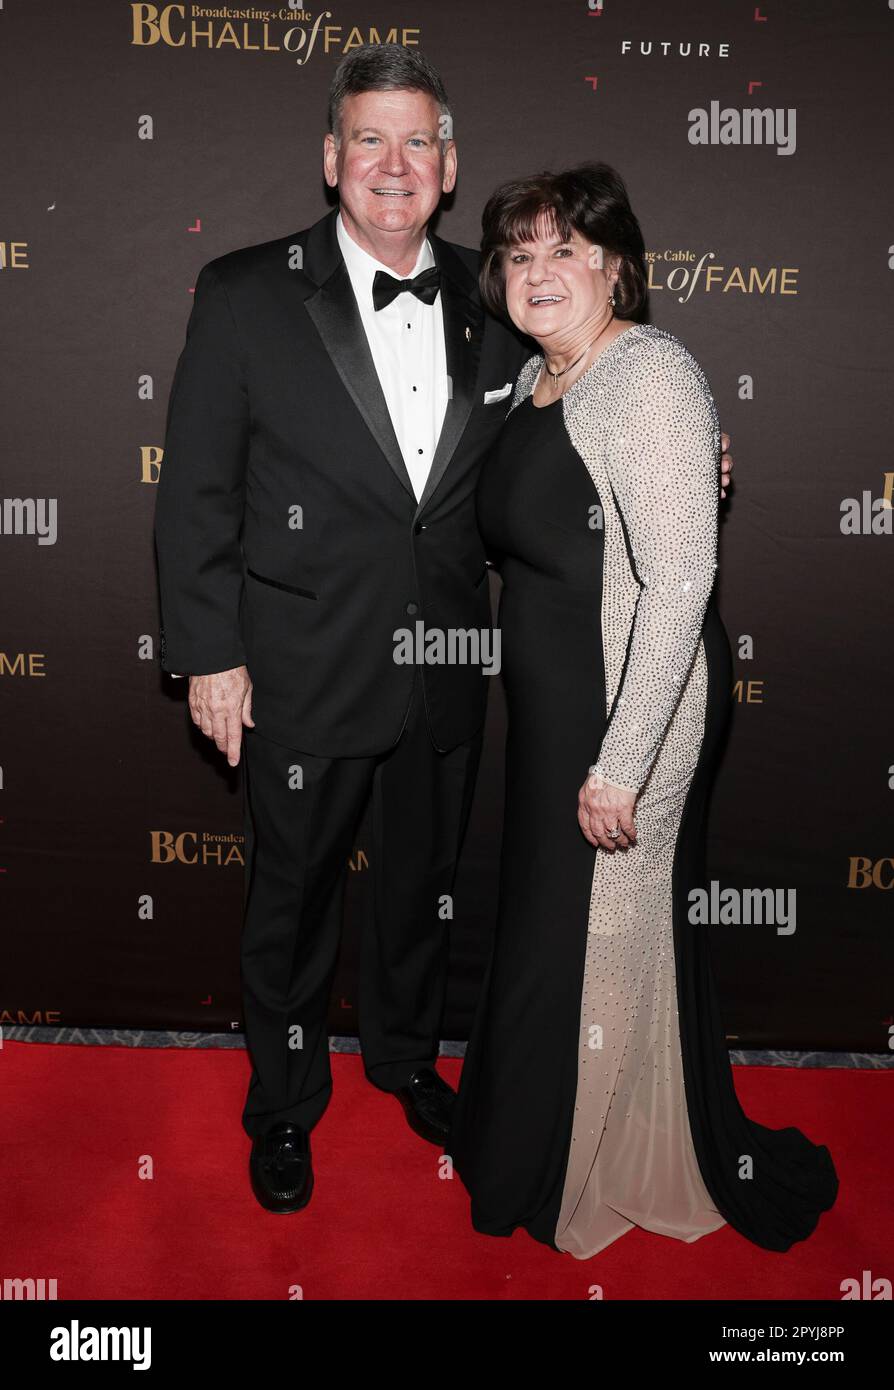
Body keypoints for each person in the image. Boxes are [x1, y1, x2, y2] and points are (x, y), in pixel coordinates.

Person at [154, 45, 733, 1218]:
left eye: (418, 140)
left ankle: (409, 1058)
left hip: (455, 665)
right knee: (295, 897)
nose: (394, 163)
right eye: (369, 138)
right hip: (302, 666)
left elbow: (603, 389)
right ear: (331, 159)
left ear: (451, 164)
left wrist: (701, 452)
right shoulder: (245, 292)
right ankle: (283, 1103)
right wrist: (208, 650)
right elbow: (196, 492)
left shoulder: (500, 299)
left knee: (417, 888)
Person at [447, 163, 838, 1256]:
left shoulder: (651, 373)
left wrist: (622, 762)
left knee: (603, 936)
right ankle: (540, 1144)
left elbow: (678, 584)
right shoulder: (535, 379)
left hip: (635, 711)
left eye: (566, 249)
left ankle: (600, 1167)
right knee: (553, 931)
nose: (540, 271)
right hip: (556, 713)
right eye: (520, 255)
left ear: (617, 267)